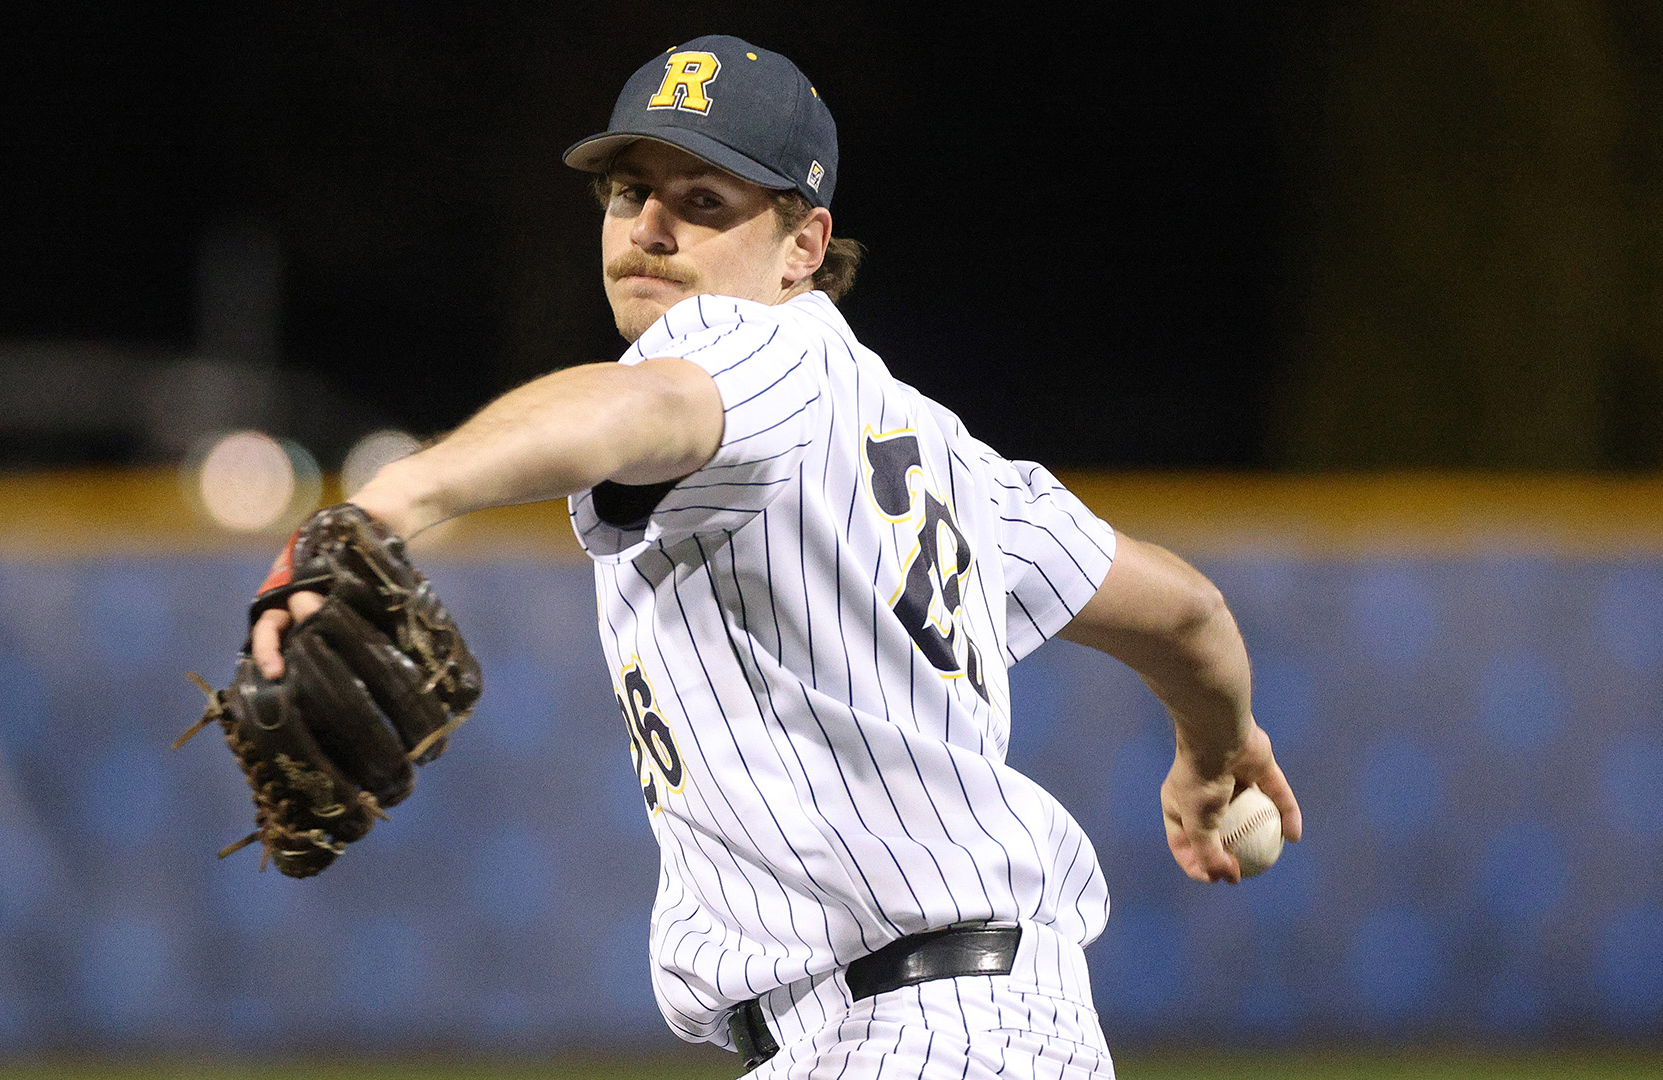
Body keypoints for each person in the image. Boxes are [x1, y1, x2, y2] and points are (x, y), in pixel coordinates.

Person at [252, 34, 1301, 1079]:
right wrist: (1218, 746)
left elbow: (642, 404)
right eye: (627, 194)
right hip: (977, 1030)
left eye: (703, 201)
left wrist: (383, 509)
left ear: (803, 245)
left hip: (910, 1033)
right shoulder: (943, 455)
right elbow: (1187, 614)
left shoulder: (754, 347)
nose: (650, 228)